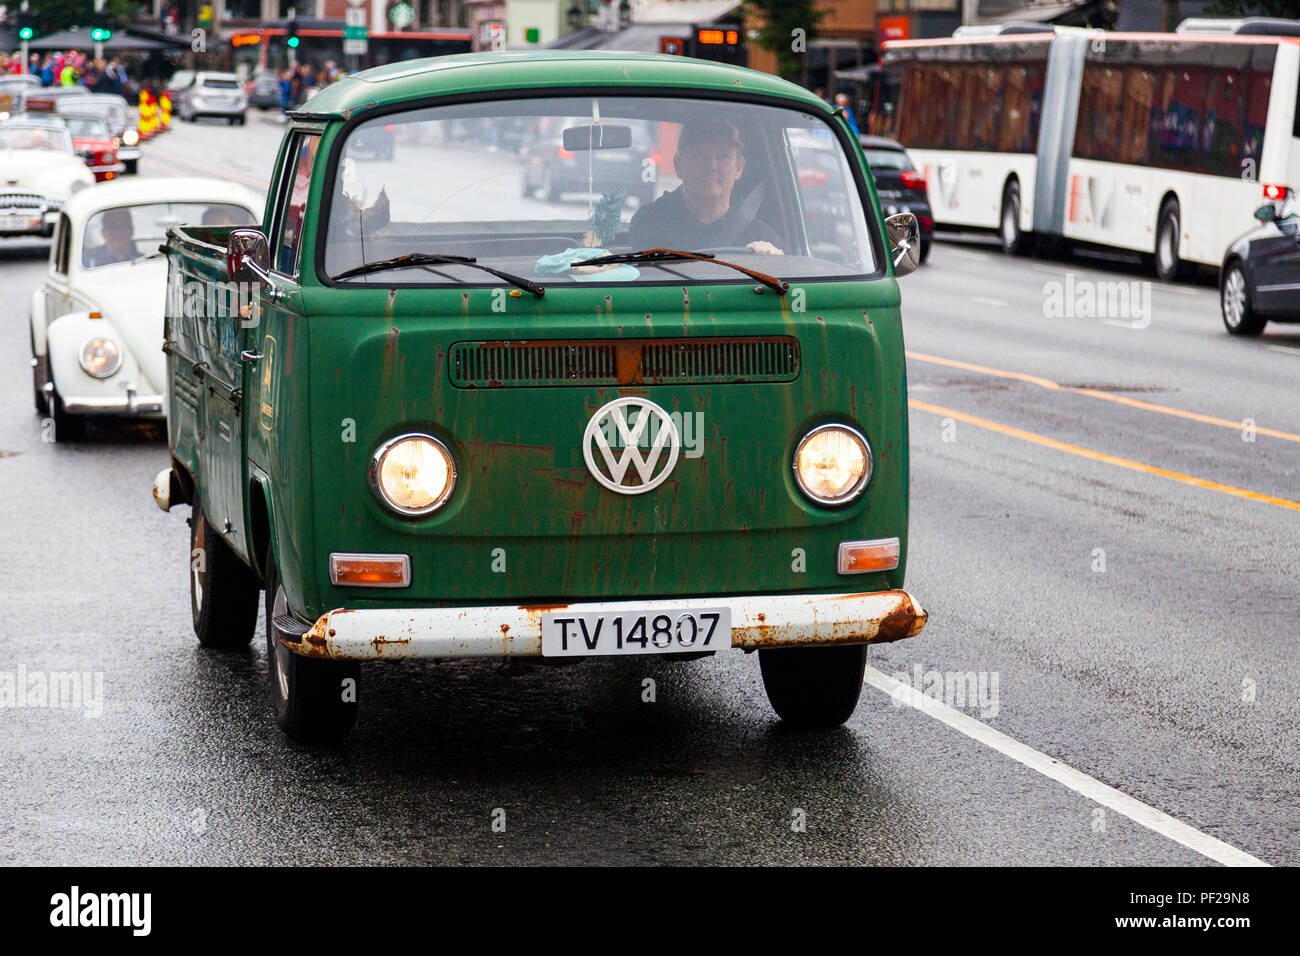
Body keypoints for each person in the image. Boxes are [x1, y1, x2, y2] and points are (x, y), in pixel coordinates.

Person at [628, 117, 783, 255]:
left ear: (739, 168)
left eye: (723, 156)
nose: (711, 165)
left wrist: (771, 263)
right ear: (678, 165)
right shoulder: (651, 222)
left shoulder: (761, 237)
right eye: (699, 155)